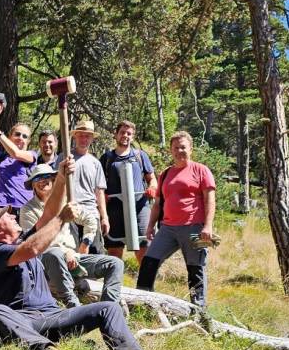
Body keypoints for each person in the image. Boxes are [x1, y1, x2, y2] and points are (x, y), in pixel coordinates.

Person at [0, 159, 176, 350]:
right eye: (7, 215)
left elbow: (48, 214)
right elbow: (33, 248)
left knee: (109, 308)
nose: (14, 216)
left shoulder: (21, 239)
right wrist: (62, 218)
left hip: (55, 317)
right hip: (25, 322)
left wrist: (61, 178)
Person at [19, 165, 125, 308]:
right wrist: (65, 253)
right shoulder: (27, 209)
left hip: (73, 258)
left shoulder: (64, 201)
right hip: (46, 261)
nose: (43, 181)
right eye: (38, 178)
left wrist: (86, 242)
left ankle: (109, 308)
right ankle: (73, 305)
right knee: (55, 254)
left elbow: (89, 219)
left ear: (53, 179)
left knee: (115, 264)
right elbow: (35, 242)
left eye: (46, 177)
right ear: (32, 184)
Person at [136, 131, 217, 308]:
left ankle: (198, 309)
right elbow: (157, 204)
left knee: (196, 268)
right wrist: (150, 226)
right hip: (167, 229)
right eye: (176, 148)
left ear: (191, 149)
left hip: (195, 227)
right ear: (171, 151)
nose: (179, 151)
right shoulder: (165, 174)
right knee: (149, 261)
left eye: (183, 147)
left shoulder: (201, 170)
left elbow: (210, 199)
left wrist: (208, 226)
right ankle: (141, 302)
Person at [101, 120, 157, 265]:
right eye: (122, 133)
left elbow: (152, 179)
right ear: (116, 134)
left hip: (139, 207)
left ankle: (146, 285)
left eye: (129, 133)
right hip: (114, 210)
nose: (125, 136)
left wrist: (152, 188)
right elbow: (99, 186)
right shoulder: (107, 158)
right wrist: (103, 196)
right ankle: (114, 284)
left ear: (132, 137)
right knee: (114, 250)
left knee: (144, 248)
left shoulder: (140, 155)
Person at [68, 119, 109, 254]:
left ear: (92, 138)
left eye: (87, 136)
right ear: (75, 136)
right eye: (80, 135)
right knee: (71, 253)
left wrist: (104, 217)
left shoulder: (95, 163)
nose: (83, 139)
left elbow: (99, 192)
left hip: (91, 212)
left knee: (95, 253)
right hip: (70, 212)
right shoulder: (65, 158)